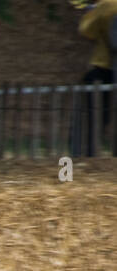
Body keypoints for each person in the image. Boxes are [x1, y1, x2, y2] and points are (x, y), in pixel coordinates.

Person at [74, 0, 117, 156]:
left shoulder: (105, 5)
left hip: (104, 66)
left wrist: (91, 14)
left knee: (97, 114)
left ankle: (89, 154)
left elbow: (86, 30)